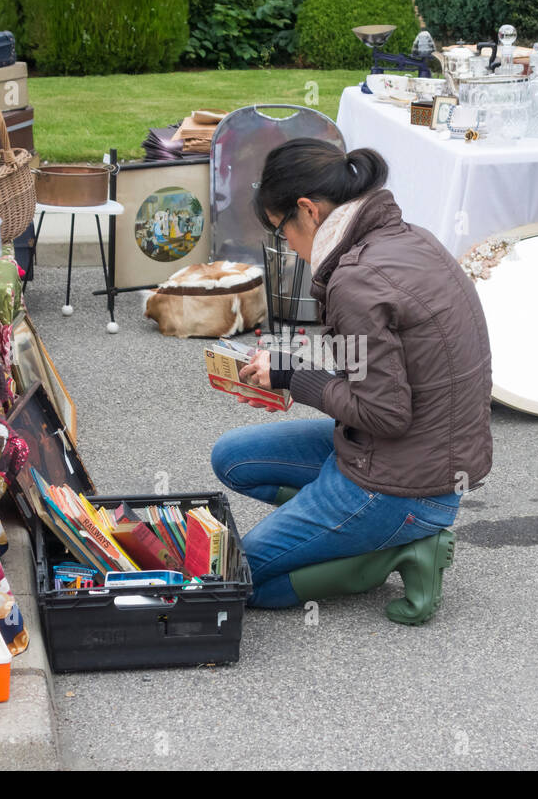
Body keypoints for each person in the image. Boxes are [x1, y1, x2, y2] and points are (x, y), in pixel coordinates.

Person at [210, 139, 493, 624]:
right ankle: (346, 525)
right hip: (412, 455)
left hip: (403, 483)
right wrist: (287, 364)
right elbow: (381, 358)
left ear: (308, 211)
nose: (291, 250)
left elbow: (384, 412)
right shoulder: (406, 239)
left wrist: (293, 375)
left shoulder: (356, 279)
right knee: (233, 459)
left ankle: (390, 550)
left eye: (282, 233)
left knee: (239, 576)